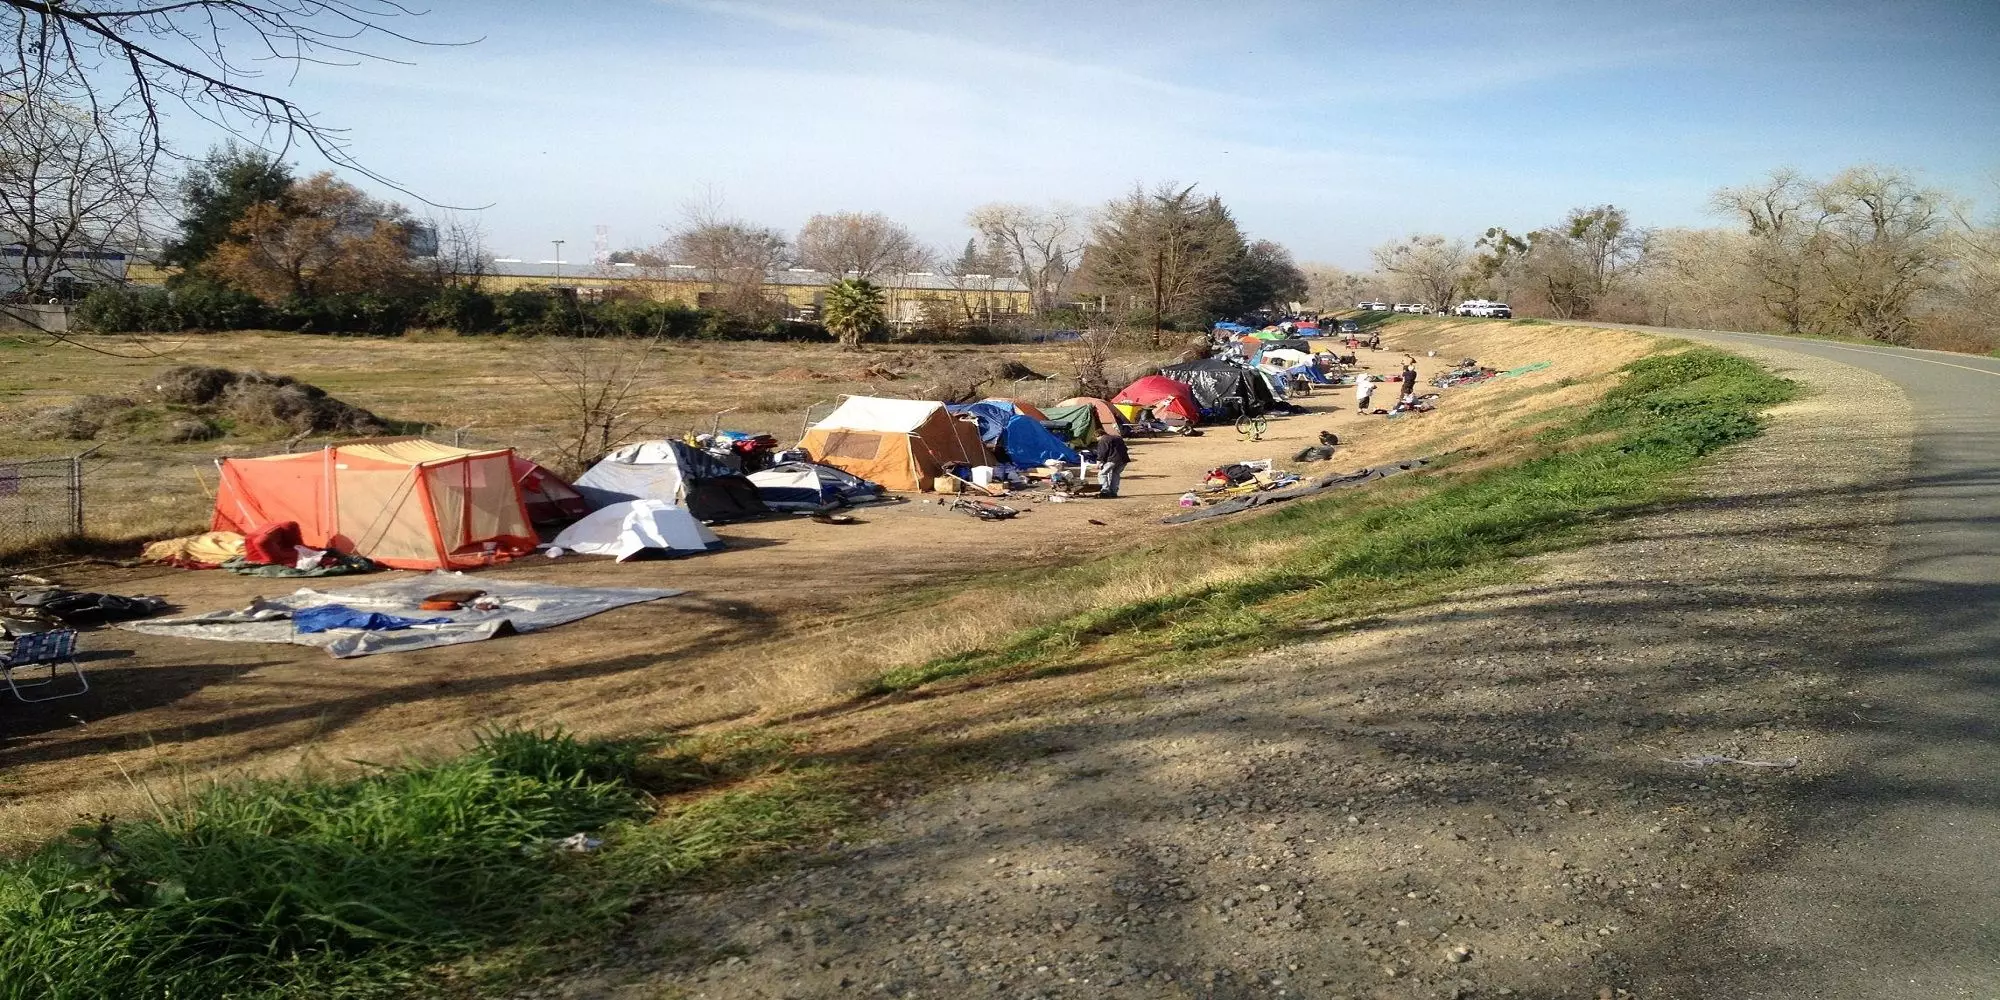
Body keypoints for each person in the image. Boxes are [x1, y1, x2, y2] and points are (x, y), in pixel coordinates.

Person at [1091, 430, 1130, 498]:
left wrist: (1098, 464)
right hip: (1123, 460)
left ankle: (1105, 491)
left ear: (1098, 435)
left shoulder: (1103, 440)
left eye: (1096, 438)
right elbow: (1125, 448)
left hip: (1112, 460)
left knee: (1102, 474)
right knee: (1115, 474)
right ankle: (1113, 492)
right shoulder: (1117, 438)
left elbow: (1102, 453)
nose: (1097, 440)